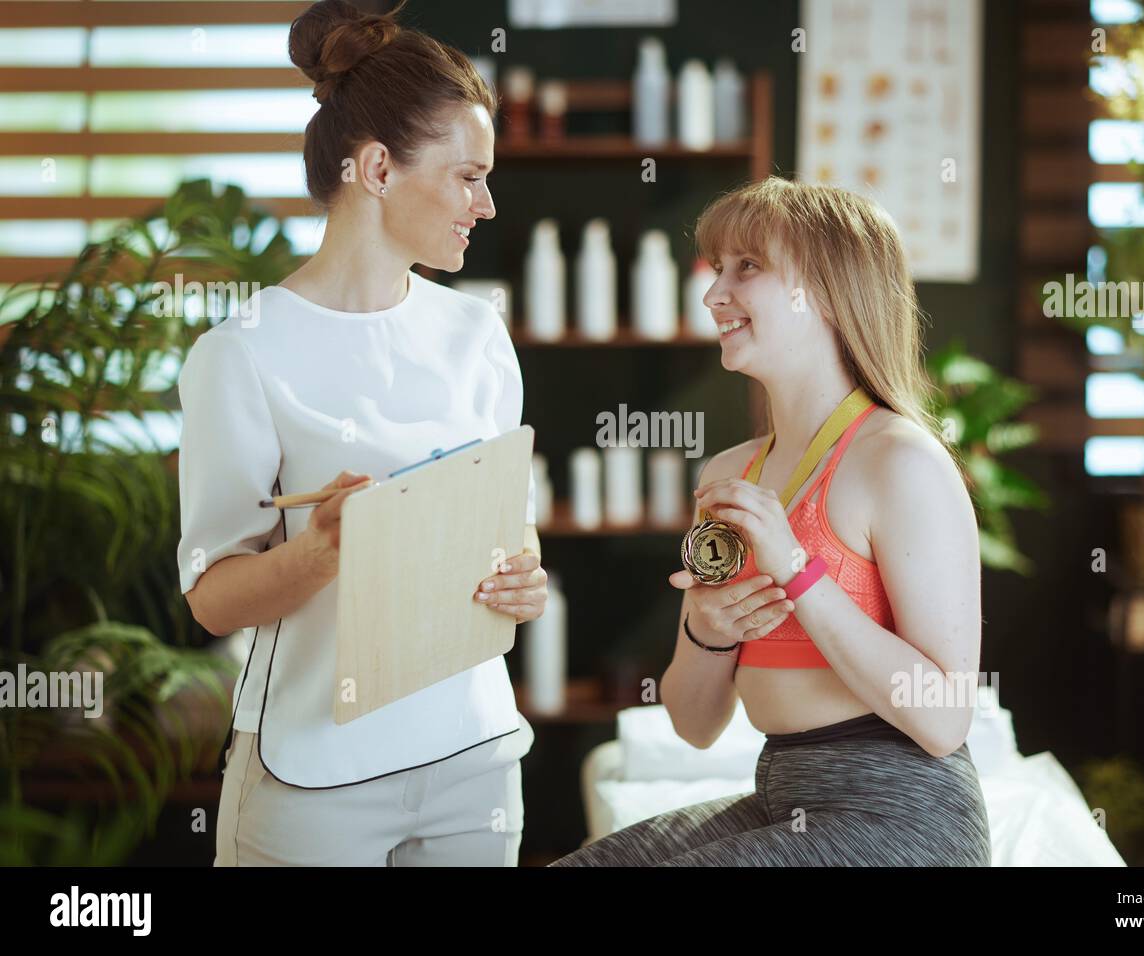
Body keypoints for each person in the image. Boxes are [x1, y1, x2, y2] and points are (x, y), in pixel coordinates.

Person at [176, 0, 546, 866]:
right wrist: (319, 552)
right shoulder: (242, 354)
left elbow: (509, 529)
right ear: (377, 168)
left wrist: (521, 577)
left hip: (476, 764)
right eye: (468, 176)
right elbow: (211, 595)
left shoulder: (476, 335)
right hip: (313, 774)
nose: (487, 205)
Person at [550, 176, 992, 866]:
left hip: (905, 817)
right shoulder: (728, 477)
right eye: (717, 268)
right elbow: (696, 724)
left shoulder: (900, 461)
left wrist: (796, 568)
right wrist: (708, 630)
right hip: (783, 794)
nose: (713, 294)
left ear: (823, 289)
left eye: (746, 267)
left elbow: (943, 719)